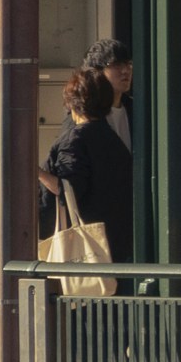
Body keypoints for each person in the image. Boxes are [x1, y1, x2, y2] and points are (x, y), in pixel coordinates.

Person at [39, 66, 133, 269]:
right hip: (116, 239)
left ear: (73, 103)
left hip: (86, 248)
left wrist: (37, 172)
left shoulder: (75, 140)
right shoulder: (112, 138)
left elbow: (68, 188)